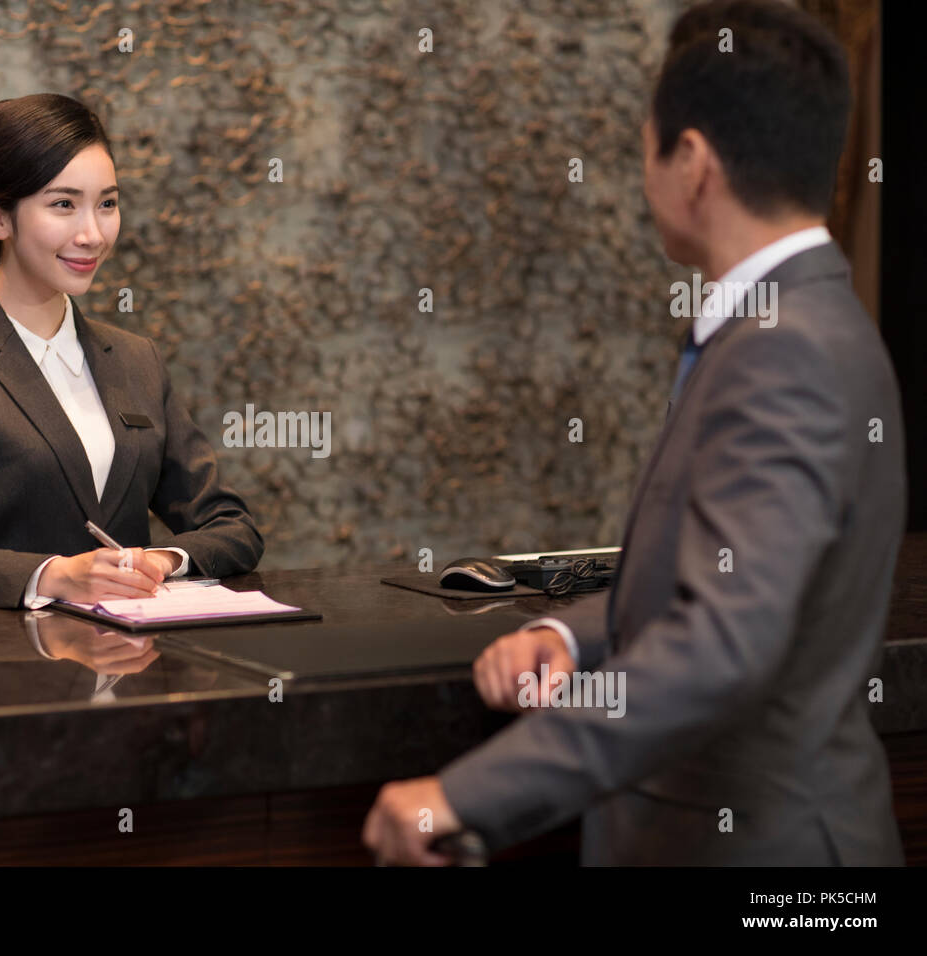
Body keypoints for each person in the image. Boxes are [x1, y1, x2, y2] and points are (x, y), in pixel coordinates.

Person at [364, 0, 905, 865]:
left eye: (645, 144)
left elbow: (723, 643)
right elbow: (714, 584)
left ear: (690, 162)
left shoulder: (783, 351)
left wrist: (467, 794)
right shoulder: (806, 319)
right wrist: (569, 636)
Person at [0, 93, 262, 609]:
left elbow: (231, 525)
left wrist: (162, 559)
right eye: (63, 204)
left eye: (107, 203)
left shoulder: (136, 359)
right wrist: (52, 576)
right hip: (7, 677)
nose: (93, 234)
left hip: (134, 671)